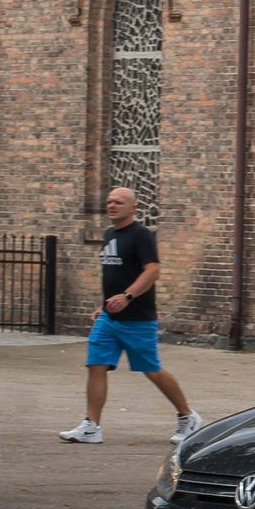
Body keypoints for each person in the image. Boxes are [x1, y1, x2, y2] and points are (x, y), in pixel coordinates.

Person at [59, 185, 202, 445]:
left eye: (119, 202)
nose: (112, 205)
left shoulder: (141, 235)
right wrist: (104, 306)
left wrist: (126, 297)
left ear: (133, 208)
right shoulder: (108, 234)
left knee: (151, 369)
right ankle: (91, 426)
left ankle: (188, 416)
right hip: (109, 318)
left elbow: (152, 271)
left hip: (137, 317)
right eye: (109, 201)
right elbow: (115, 274)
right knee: (96, 365)